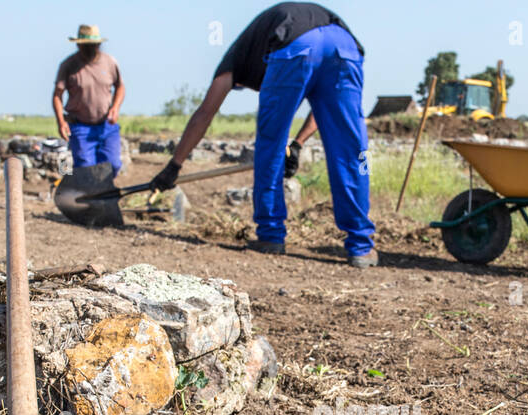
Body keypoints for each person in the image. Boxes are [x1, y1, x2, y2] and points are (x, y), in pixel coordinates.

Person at [150, 3, 377, 266]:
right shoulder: (262, 41)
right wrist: (298, 144)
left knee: (271, 142)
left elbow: (205, 113)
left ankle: (271, 235)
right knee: (351, 151)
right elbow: (327, 107)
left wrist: (174, 165)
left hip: (296, 45)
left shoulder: (234, 61)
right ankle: (361, 246)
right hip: (344, 46)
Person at [53, 24, 126, 177]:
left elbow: (120, 87)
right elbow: (57, 95)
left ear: (98, 44)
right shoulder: (69, 65)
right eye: (85, 46)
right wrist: (61, 122)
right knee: (86, 168)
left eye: (92, 45)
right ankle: (90, 198)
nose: (89, 49)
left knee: (113, 164)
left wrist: (115, 108)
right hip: (80, 126)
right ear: (78, 45)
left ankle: (103, 195)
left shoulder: (109, 63)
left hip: (107, 124)